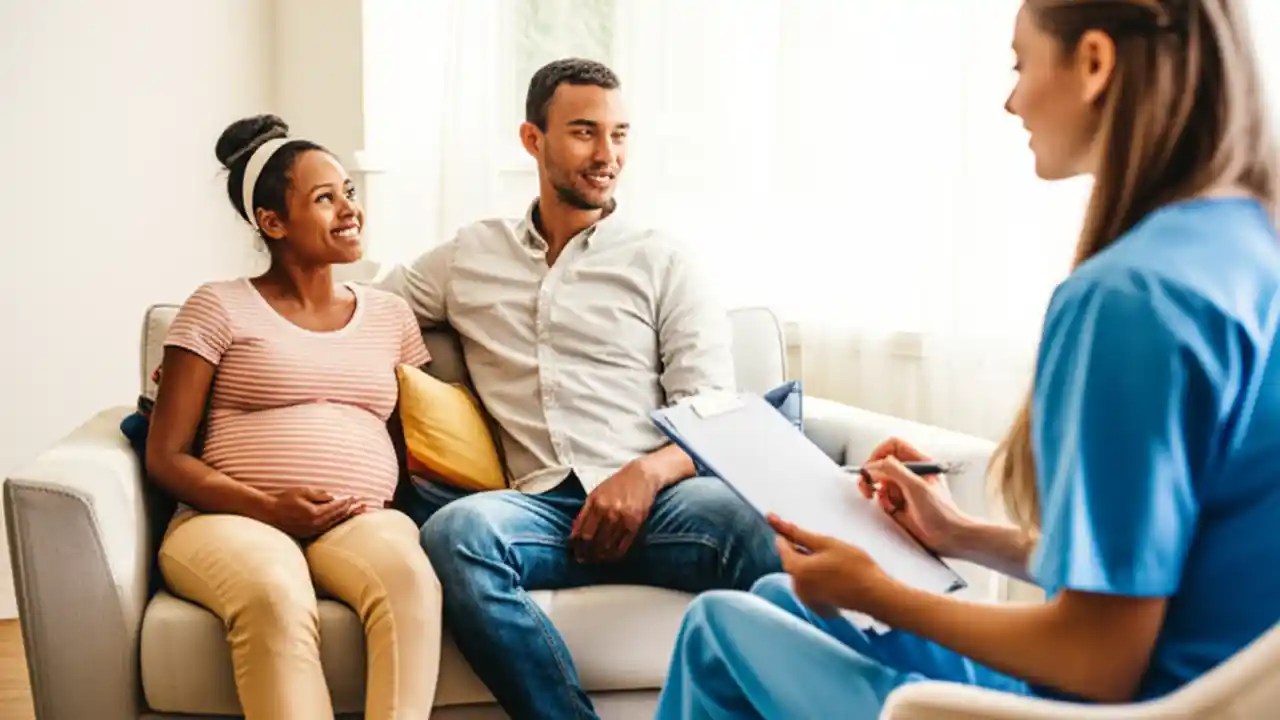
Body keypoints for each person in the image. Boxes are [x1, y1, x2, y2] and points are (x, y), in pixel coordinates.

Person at [655, 0, 1280, 717]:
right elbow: (1157, 579)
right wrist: (960, 535)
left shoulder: (1132, 296)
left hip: (1115, 705)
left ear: (1095, 62)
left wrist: (877, 590)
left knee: (716, 629)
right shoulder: (1246, 248)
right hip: (1205, 687)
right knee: (776, 597)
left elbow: (1099, 656)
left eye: (1020, 63)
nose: (1012, 99)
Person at [378, 58, 782, 718]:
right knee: (456, 533)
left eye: (620, 135)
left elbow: (711, 408)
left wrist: (645, 476)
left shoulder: (665, 260)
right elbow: (356, 314)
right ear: (532, 139)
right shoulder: (468, 257)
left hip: (665, 506)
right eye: (585, 132)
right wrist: (226, 350)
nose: (608, 155)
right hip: (540, 511)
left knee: (757, 522)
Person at [147, 114, 442, 720]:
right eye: (324, 198)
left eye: (350, 194)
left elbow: (417, 439)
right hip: (226, 516)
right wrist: (267, 507)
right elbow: (165, 455)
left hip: (358, 520)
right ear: (272, 222)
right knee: (274, 594)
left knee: (411, 580)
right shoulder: (217, 305)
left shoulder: (390, 316)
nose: (349, 210)